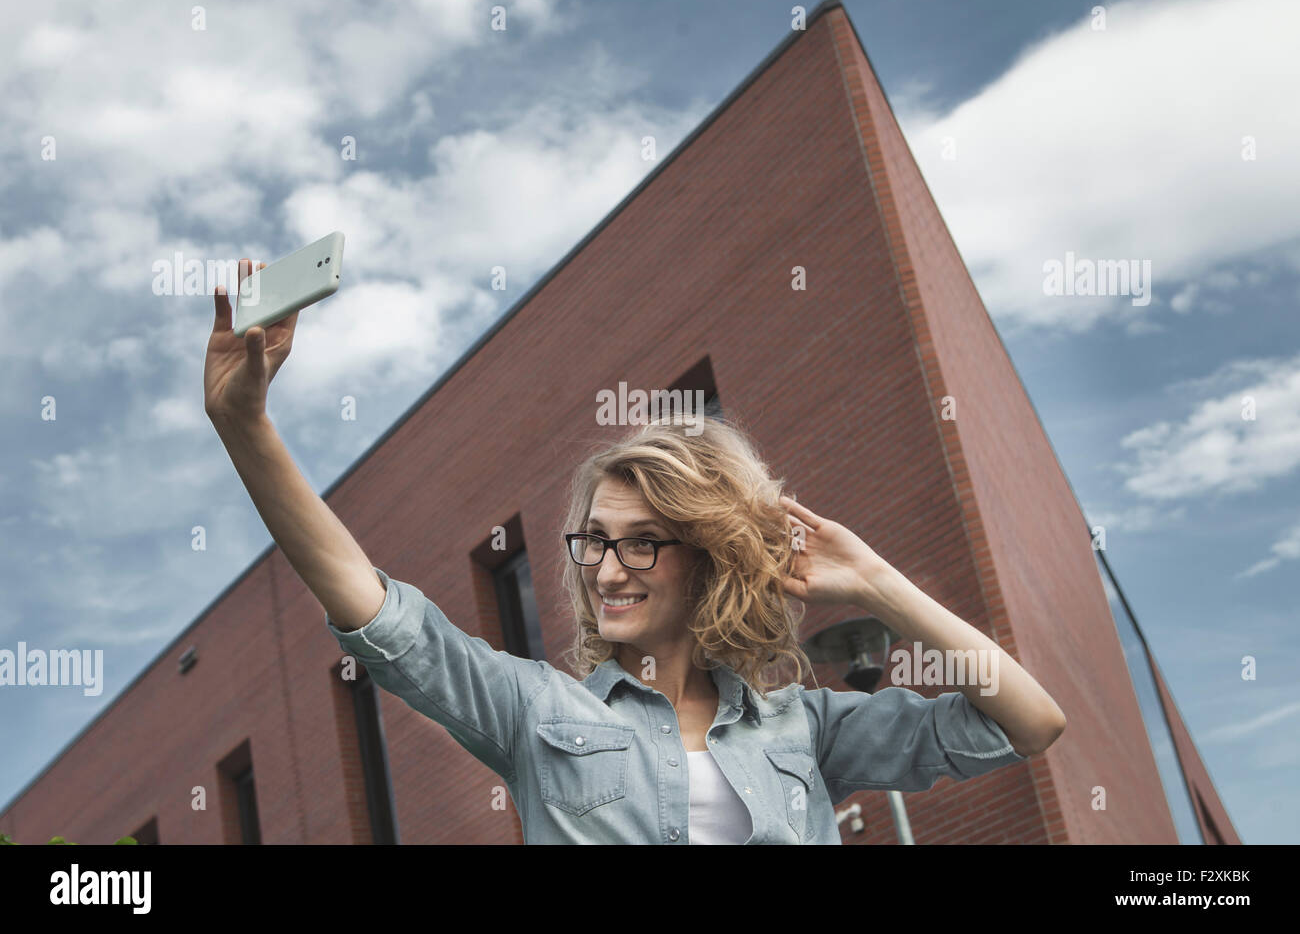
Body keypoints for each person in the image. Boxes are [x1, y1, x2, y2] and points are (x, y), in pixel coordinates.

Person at [205, 258, 1067, 844]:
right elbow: (380, 616)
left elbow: (1028, 723)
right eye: (595, 543)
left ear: (706, 558)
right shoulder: (540, 715)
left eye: (645, 544)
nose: (608, 570)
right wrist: (245, 427)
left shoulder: (804, 727)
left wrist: (878, 586)